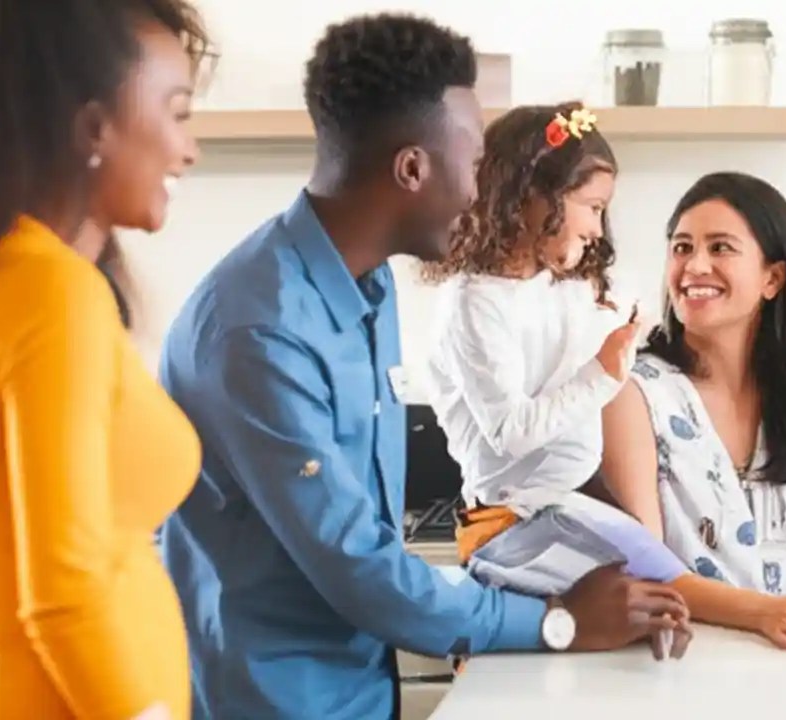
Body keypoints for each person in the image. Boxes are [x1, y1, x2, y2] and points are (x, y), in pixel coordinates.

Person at [158, 15, 690, 720]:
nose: (482, 191)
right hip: (269, 702)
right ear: (412, 169)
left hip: (357, 691)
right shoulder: (259, 329)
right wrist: (557, 620)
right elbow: (360, 570)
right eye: (473, 164)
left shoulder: (368, 288)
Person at [0, 1, 209, 718]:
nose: (188, 149)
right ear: (93, 128)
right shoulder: (52, 291)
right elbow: (64, 589)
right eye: (176, 114)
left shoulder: (21, 276)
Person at [420, 102, 694, 650]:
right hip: (506, 525)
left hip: (561, 506)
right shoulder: (474, 304)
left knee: (660, 600)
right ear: (531, 199)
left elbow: (597, 340)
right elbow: (511, 431)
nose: (597, 227)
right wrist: (603, 370)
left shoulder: (560, 284)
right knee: (659, 590)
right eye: (590, 207)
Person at [601, 172, 786, 651]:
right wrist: (764, 614)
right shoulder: (632, 393)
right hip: (683, 664)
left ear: (772, 278)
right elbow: (647, 568)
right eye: (681, 247)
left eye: (720, 248)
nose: (694, 265)